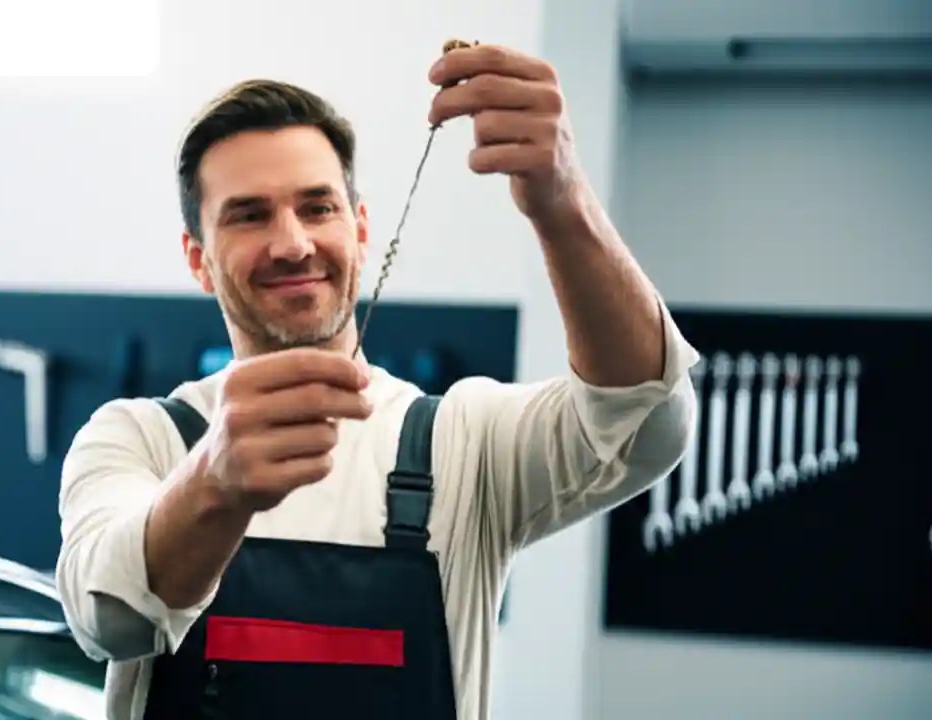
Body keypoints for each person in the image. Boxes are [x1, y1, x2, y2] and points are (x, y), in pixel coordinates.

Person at [56, 40, 700, 720]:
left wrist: (561, 197)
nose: (294, 243)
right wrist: (213, 484)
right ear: (198, 260)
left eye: (318, 207)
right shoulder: (138, 440)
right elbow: (107, 617)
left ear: (361, 230)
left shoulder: (463, 442)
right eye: (249, 215)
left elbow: (647, 419)